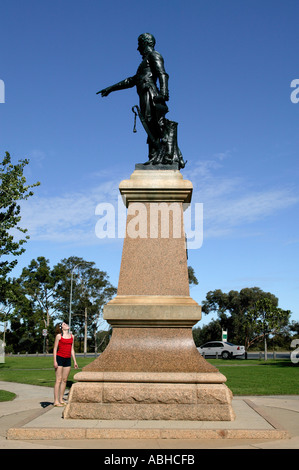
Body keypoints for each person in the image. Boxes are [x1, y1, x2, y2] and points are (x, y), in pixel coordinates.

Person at [98, 33, 185, 169]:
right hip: (144, 95)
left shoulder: (154, 55)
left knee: (155, 124)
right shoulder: (144, 62)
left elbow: (163, 74)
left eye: (139, 44)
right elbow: (132, 80)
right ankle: (154, 157)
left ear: (145, 44)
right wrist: (111, 88)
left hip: (151, 94)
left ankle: (166, 156)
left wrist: (164, 93)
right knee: (149, 125)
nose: (138, 49)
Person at [53, 321, 78, 407]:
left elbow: (72, 349)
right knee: (58, 380)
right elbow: (55, 349)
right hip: (59, 358)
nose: (66, 325)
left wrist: (75, 361)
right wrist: (55, 361)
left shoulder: (72, 336)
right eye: (64, 324)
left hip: (68, 359)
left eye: (66, 324)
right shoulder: (59, 336)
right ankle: (56, 401)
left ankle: (61, 399)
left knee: (64, 380)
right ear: (61, 328)